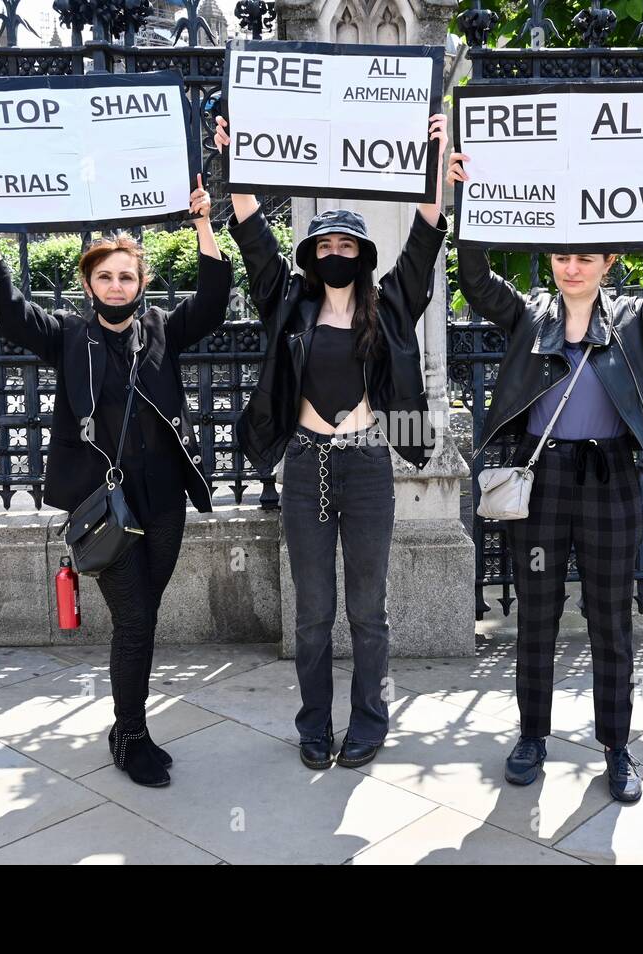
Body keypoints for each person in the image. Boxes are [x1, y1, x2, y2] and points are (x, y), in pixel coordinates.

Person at [448, 150, 643, 802]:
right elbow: (476, 280)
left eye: (586, 257)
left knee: (610, 622)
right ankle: (532, 735)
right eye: (562, 256)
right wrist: (470, 202)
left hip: (610, 481)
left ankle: (616, 747)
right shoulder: (528, 315)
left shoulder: (632, 318)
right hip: (541, 485)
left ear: (608, 263)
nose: (571, 266)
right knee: (536, 615)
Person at [0, 175, 231, 788]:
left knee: (146, 614)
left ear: (142, 284)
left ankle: (128, 724)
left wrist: (202, 224)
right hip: (102, 505)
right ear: (89, 284)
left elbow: (214, 303)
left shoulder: (161, 330)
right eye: (106, 276)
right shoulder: (68, 336)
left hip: (163, 500)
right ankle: (130, 733)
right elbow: (4, 309)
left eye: (128, 277)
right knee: (135, 618)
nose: (118, 286)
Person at [214, 113, 449, 769]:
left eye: (348, 247)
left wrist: (437, 152)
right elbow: (255, 237)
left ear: (363, 255)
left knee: (368, 611)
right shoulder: (289, 303)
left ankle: (369, 722)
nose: (337, 255)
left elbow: (428, 235)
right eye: (326, 247)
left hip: (368, 465)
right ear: (312, 256)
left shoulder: (392, 303)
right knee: (314, 612)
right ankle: (314, 724)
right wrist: (238, 162)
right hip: (306, 464)